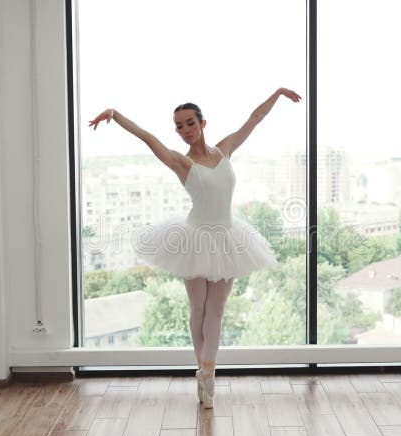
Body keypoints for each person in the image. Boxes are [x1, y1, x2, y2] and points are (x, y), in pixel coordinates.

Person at [88, 87, 302, 408]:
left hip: (228, 238)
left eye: (190, 123)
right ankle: (201, 368)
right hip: (194, 239)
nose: (185, 130)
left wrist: (278, 93)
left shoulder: (225, 149)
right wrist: (116, 116)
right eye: (179, 126)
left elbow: (253, 120)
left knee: (217, 311)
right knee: (198, 310)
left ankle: (208, 372)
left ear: (203, 123)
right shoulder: (181, 163)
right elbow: (148, 138)